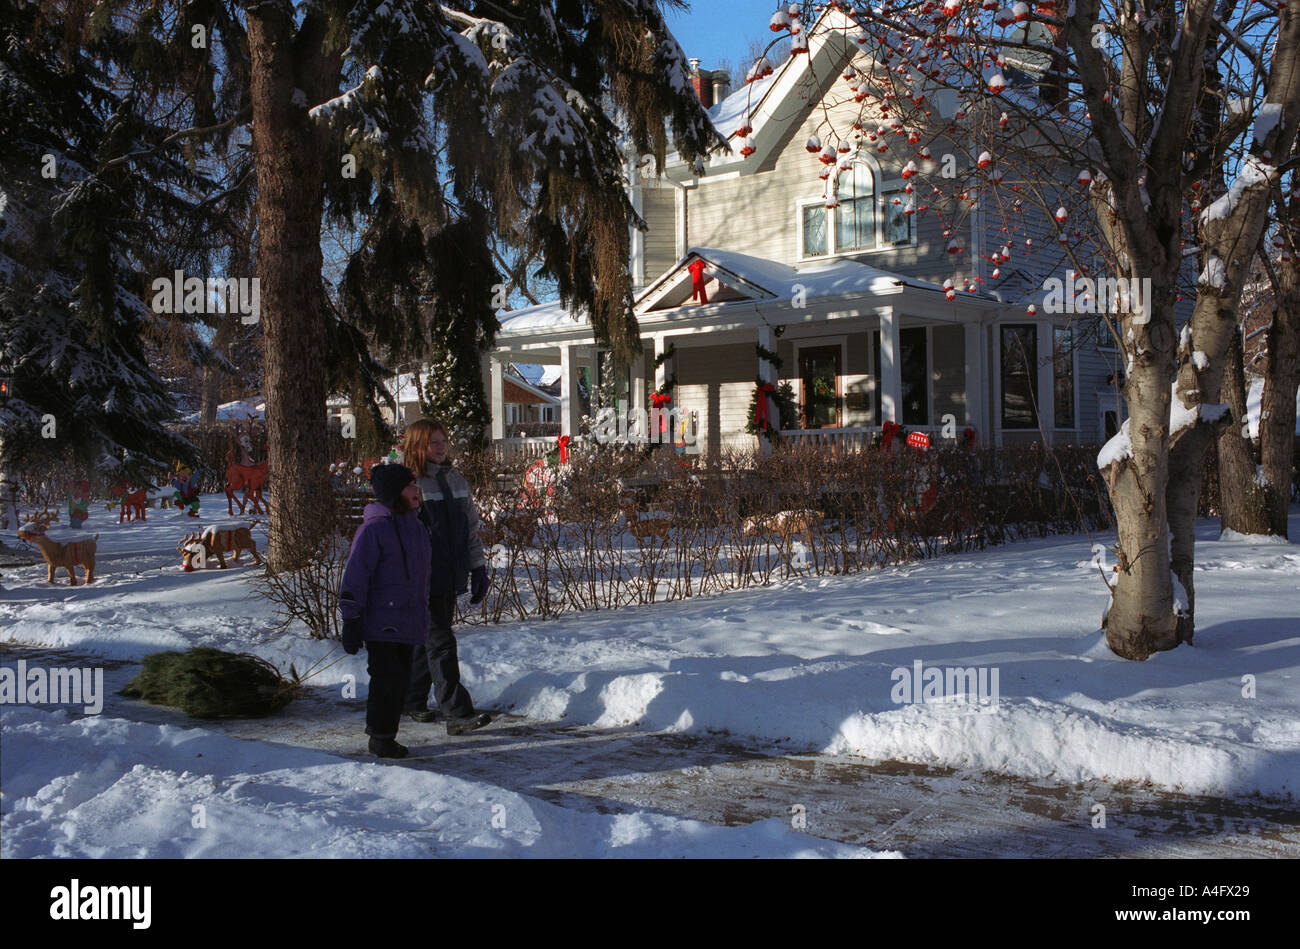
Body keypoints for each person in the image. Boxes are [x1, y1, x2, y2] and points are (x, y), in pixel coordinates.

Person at [400, 418, 492, 735]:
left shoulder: (456, 481)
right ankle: (457, 712)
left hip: (449, 576)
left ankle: (410, 700)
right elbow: (399, 537)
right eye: (432, 443)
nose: (440, 448)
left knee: (428, 642)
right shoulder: (409, 485)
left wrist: (477, 567)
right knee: (441, 643)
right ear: (417, 446)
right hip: (418, 580)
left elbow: (471, 531)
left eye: (443, 441)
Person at [339, 464, 431, 759]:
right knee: (387, 679)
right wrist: (351, 618)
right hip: (381, 620)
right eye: (409, 487)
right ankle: (380, 737)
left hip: (408, 619)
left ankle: (384, 734)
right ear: (394, 494)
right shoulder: (374, 530)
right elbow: (356, 575)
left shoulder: (416, 527)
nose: (416, 491)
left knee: (400, 679)